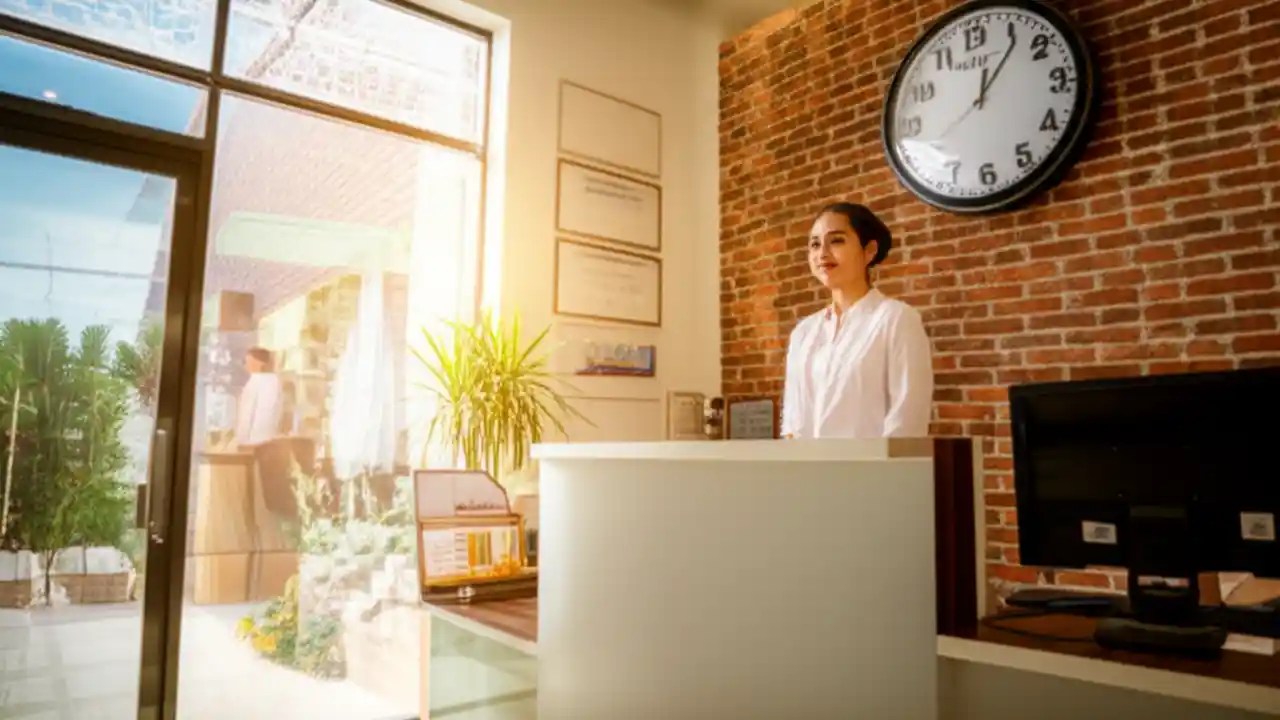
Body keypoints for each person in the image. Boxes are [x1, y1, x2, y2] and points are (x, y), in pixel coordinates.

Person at [780, 202, 934, 439]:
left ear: (869, 251)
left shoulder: (896, 319)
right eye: (814, 244)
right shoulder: (803, 333)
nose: (822, 253)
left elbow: (907, 423)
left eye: (837, 240)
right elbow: (792, 423)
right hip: (808, 473)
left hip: (872, 474)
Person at [234, 347, 284, 449]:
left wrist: (246, 440)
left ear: (260, 362)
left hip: (257, 441)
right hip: (256, 441)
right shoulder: (261, 380)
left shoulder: (265, 381)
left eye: (249, 361)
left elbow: (256, 413)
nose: (246, 365)